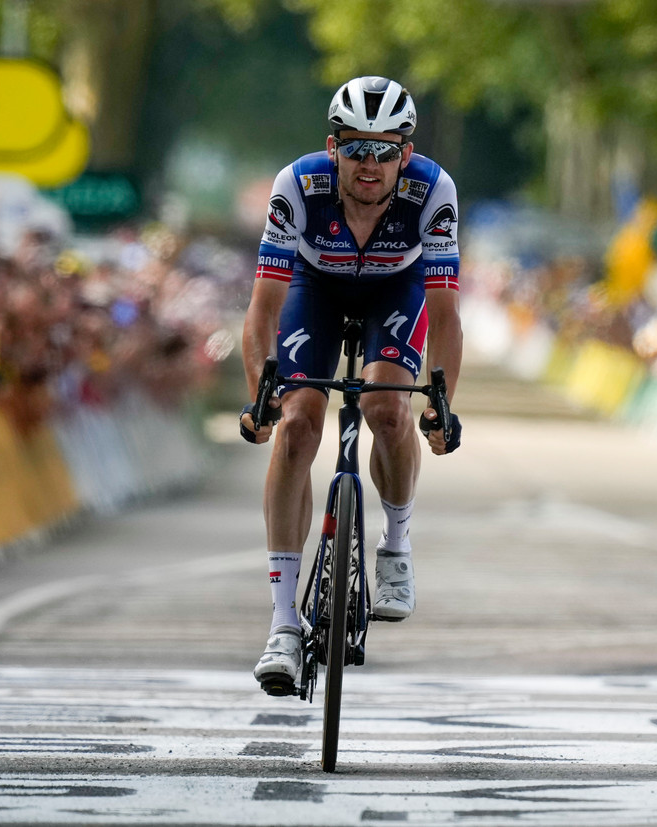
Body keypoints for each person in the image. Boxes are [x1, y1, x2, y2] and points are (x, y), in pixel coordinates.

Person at [240, 76, 464, 696]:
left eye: (384, 150)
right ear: (332, 149)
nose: (370, 164)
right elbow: (262, 308)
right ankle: (283, 625)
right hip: (313, 288)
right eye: (356, 148)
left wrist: (442, 404)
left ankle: (396, 544)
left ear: (405, 154)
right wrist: (260, 394)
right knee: (296, 427)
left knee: (389, 409)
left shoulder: (433, 191)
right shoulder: (297, 186)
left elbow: (445, 314)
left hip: (396, 288)